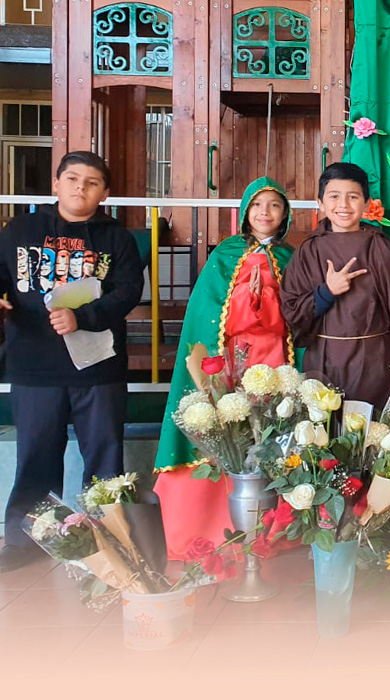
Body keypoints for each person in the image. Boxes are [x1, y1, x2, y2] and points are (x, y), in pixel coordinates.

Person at [0, 151, 143, 572]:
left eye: (92, 182)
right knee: (36, 458)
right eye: (73, 179)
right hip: (34, 367)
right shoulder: (20, 229)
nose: (81, 188)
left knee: (104, 459)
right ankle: (25, 544)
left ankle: (109, 542)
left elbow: (128, 292)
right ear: (56, 184)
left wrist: (82, 317)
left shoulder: (117, 238)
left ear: (105, 192)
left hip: (97, 368)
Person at [152, 177, 297, 559]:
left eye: (274, 205)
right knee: (226, 437)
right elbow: (208, 313)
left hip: (276, 361)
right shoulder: (225, 256)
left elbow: (298, 311)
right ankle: (214, 529)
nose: (265, 212)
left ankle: (273, 534)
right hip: (231, 360)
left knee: (268, 439)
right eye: (257, 205)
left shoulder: (290, 258)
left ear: (285, 215)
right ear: (245, 213)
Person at [281, 162, 390, 410]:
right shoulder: (308, 251)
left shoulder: (380, 248)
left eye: (353, 197)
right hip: (323, 359)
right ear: (320, 203)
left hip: (375, 360)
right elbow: (291, 309)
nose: (343, 205)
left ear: (366, 203)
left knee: (372, 437)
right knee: (322, 437)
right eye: (334, 196)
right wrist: (326, 292)